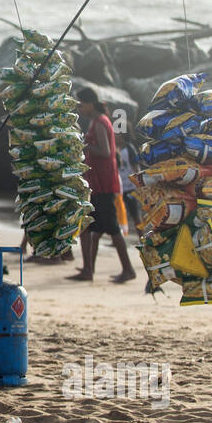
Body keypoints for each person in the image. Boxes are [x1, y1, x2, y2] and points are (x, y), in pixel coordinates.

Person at [67, 87, 136, 283]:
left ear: (89, 103)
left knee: (112, 230)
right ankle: (88, 269)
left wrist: (83, 145)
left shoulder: (99, 122)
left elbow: (105, 151)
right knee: (90, 228)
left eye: (80, 104)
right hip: (96, 183)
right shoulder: (97, 122)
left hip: (103, 184)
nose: (79, 108)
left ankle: (128, 269)